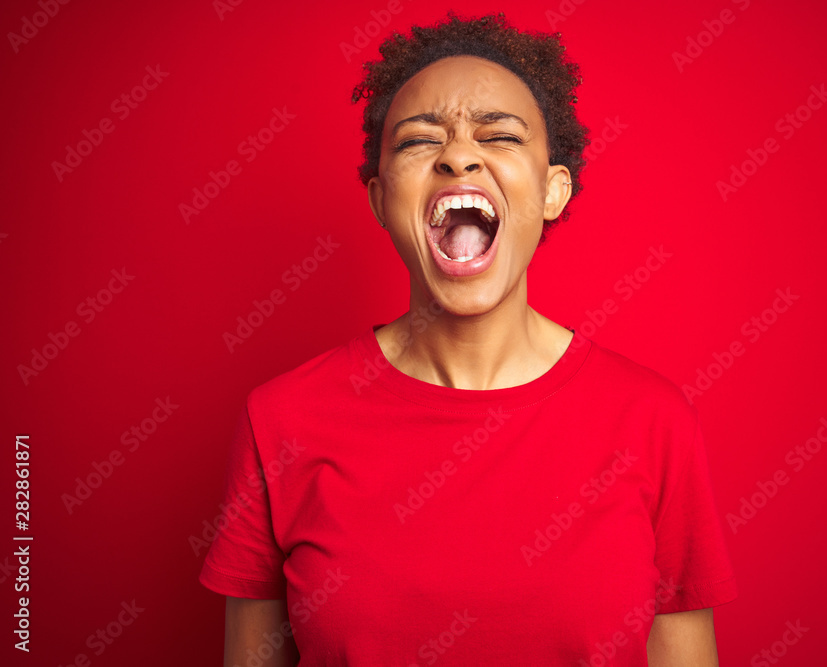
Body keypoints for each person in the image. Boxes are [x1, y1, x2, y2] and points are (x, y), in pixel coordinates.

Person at [199, 12, 737, 666]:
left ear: (551, 190)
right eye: (420, 141)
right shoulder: (280, 421)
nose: (458, 154)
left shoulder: (656, 422)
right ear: (379, 199)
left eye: (499, 135)